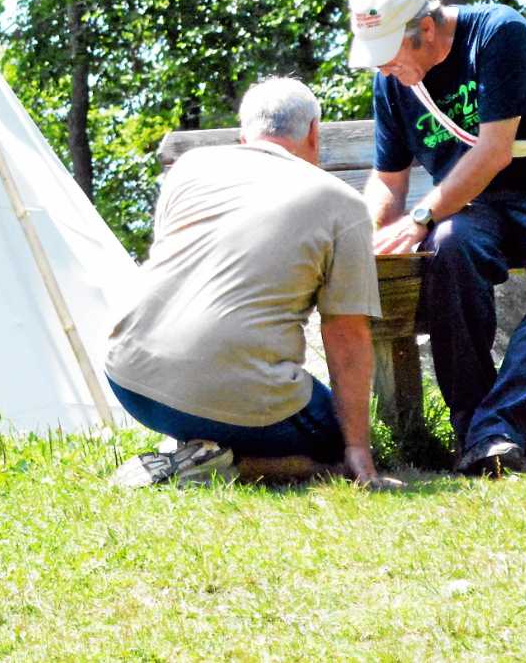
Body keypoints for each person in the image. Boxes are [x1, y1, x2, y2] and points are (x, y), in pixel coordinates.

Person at [348, 0, 526, 477]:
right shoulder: (394, 82)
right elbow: (388, 180)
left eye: (389, 53)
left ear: (426, 30)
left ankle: (499, 431)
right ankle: (475, 429)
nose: (383, 69)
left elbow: (493, 151)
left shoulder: (499, 34)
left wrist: (422, 216)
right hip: (473, 209)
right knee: (450, 251)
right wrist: (363, 240)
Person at [104, 78, 384, 488]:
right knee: (331, 439)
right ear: (313, 132)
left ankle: (190, 450)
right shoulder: (342, 203)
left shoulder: (190, 168)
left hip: (129, 379)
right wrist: (357, 446)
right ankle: (225, 466)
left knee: (225, 397)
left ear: (244, 135)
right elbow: (346, 333)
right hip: (229, 396)